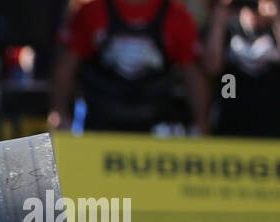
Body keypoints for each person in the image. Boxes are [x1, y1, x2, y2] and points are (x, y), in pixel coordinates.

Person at [50, 0, 210, 135]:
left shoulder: (177, 16)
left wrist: (200, 122)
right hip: (100, 124)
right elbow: (66, 67)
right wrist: (59, 112)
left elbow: (193, 76)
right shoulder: (92, 12)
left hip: (156, 125)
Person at [204, 0, 280, 136]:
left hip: (272, 123)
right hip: (231, 123)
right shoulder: (226, 28)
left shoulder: (275, 27)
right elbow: (212, 67)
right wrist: (219, 21)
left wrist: (276, 18)